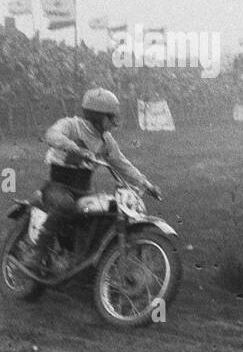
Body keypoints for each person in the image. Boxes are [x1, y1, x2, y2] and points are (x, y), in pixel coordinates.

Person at [29, 87, 161, 272]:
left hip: (84, 189)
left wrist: (146, 185)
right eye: (111, 115)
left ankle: (85, 262)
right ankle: (37, 252)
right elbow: (51, 135)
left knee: (106, 213)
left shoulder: (106, 140)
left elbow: (122, 164)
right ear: (97, 116)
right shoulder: (71, 125)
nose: (115, 119)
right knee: (65, 205)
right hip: (58, 185)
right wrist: (74, 147)